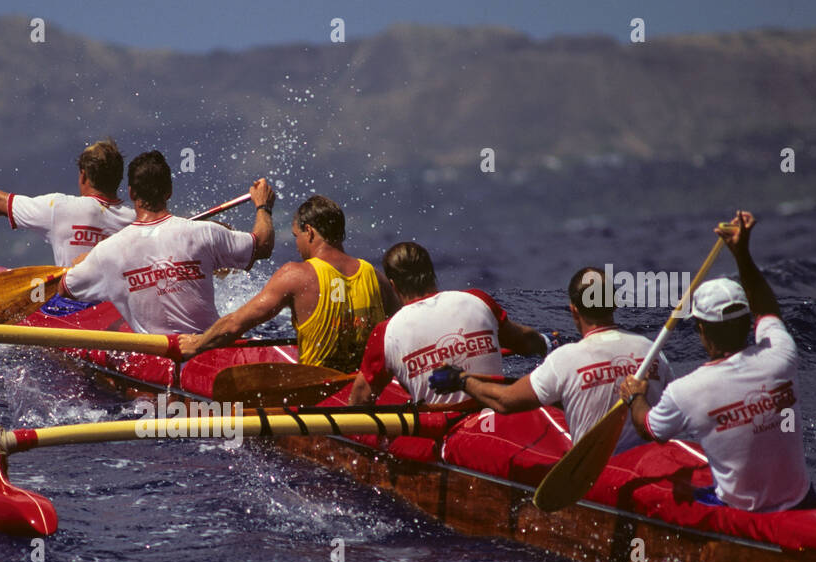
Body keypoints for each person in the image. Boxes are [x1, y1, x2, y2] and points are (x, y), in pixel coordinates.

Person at [620, 211, 815, 512]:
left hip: (740, 513)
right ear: (747, 321)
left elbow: (648, 429)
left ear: (701, 329)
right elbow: (767, 308)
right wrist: (742, 254)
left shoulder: (686, 391)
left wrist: (635, 396)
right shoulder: (780, 355)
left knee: (680, 493)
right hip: (803, 499)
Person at [434, 266, 672, 451]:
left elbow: (504, 402)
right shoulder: (652, 351)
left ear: (574, 310)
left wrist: (462, 380)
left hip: (602, 478)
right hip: (651, 460)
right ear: (614, 304)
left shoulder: (566, 360)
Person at [59, 151, 276, 334]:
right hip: (210, 346)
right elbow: (263, 245)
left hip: (157, 359)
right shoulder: (205, 233)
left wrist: (81, 264)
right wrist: (262, 206)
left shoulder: (107, 252)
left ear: (131, 193)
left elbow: (65, 290)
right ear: (169, 192)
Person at [175, 195, 394, 372]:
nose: (297, 245)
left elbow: (235, 324)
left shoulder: (296, 275)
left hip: (317, 397)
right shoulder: (376, 276)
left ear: (309, 232)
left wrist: (197, 344)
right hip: (365, 392)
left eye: (296, 235)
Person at [349, 242, 551, 406]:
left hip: (447, 429)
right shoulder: (477, 300)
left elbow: (360, 399)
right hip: (500, 405)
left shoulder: (386, 333)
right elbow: (526, 342)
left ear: (393, 285)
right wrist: (548, 344)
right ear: (431, 272)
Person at [0, 138, 134, 266]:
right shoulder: (137, 220)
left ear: (83, 177)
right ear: (118, 179)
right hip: (117, 317)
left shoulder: (61, 208)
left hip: (71, 313)